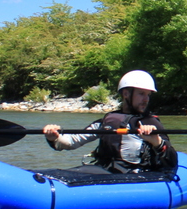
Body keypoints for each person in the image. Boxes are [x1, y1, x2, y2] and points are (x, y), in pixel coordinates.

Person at [42, 70, 177, 174]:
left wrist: (156, 142)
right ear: (126, 94)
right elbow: (71, 142)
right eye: (141, 94)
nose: (146, 99)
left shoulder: (150, 122)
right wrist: (54, 137)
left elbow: (171, 163)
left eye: (148, 95)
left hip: (134, 175)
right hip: (105, 171)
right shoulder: (108, 120)